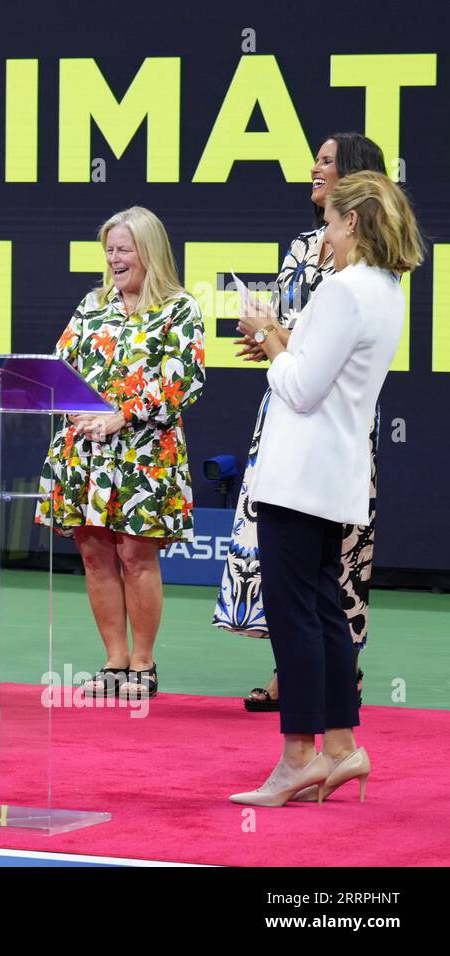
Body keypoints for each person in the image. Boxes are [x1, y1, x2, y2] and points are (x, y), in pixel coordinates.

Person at [230, 171, 422, 806]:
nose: (325, 235)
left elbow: (303, 389)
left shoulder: (343, 290)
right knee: (324, 611)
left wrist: (265, 337)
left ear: (356, 225)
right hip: (332, 473)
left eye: (333, 224)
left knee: (295, 617)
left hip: (300, 472)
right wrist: (283, 342)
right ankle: (341, 749)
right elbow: (326, 377)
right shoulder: (388, 289)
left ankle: (297, 760)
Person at [214, 133, 388, 712]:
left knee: (325, 573)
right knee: (295, 576)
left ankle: (323, 704)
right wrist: (269, 338)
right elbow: (295, 337)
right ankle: (312, 694)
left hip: (325, 417)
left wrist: (272, 339)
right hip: (290, 411)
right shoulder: (306, 247)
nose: (313, 169)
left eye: (326, 161)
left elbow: (314, 366)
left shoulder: (362, 271)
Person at [35, 207, 205, 699]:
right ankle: (114, 662)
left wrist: (122, 415)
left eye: (124, 249)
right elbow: (60, 366)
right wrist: (72, 408)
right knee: (93, 552)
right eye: (109, 250)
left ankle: (143, 666)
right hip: (84, 448)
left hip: (144, 454)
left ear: (148, 252)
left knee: (135, 555)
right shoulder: (92, 306)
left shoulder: (179, 308)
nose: (114, 259)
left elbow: (184, 380)